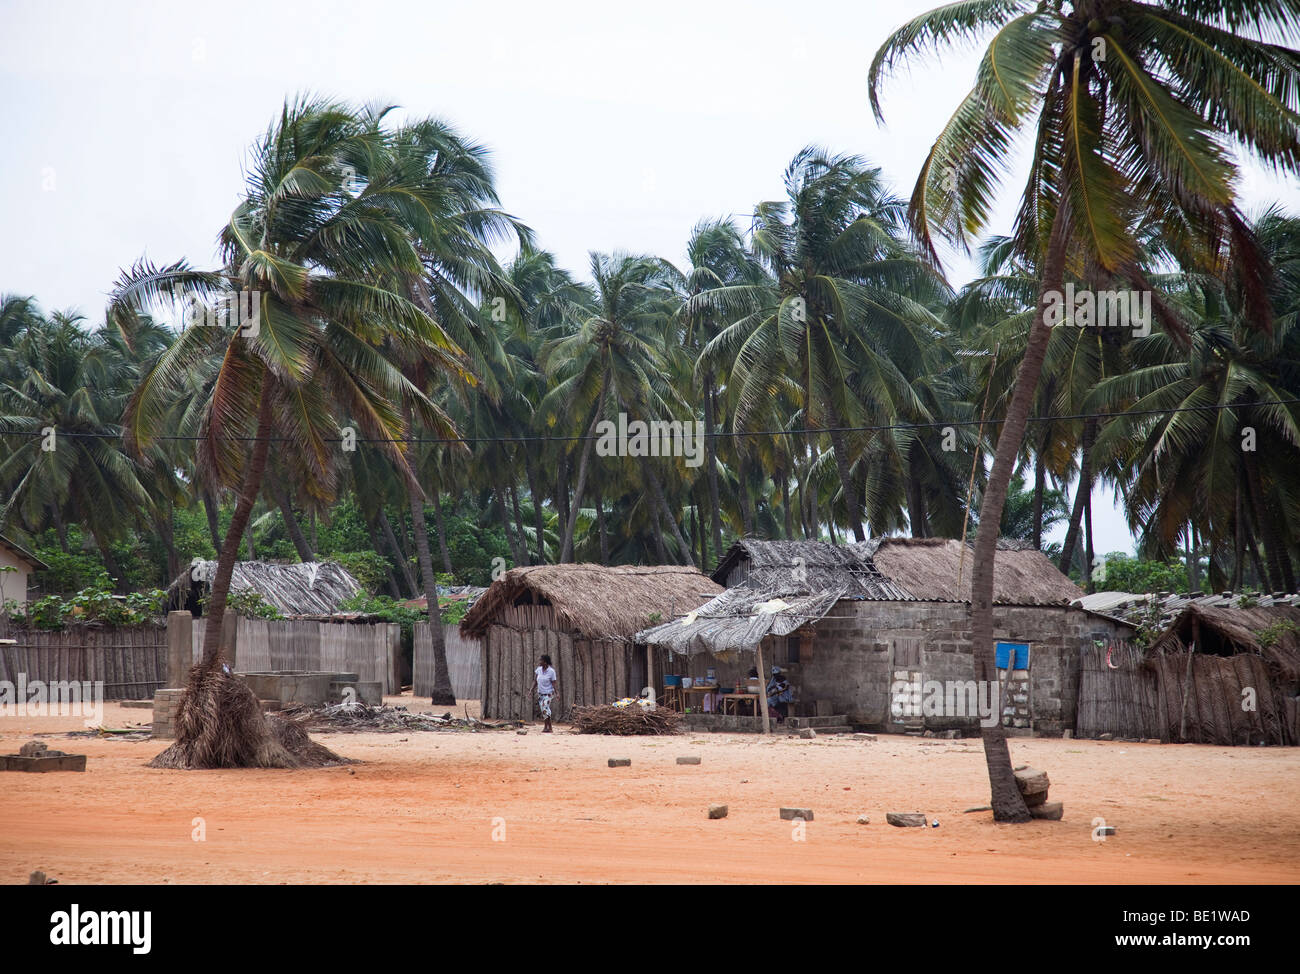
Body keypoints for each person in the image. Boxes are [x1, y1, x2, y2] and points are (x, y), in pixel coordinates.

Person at [529, 654, 559, 733]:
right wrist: (531, 690)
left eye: (541, 660)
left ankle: (546, 727)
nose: (539, 662)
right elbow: (535, 681)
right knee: (544, 710)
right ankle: (550, 727)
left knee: (544, 707)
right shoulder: (538, 670)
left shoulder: (551, 671)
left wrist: (557, 693)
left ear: (545, 662)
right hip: (540, 693)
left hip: (549, 693)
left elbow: (554, 683)